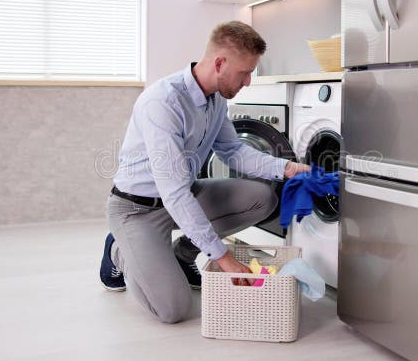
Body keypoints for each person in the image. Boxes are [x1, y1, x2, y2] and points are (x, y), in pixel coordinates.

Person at [99, 21, 310, 323]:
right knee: (173, 310)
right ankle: (119, 249)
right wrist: (222, 257)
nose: (248, 81)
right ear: (220, 63)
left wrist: (287, 168)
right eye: (245, 72)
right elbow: (172, 191)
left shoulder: (216, 100)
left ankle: (181, 254)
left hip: (183, 195)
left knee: (262, 197)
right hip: (136, 210)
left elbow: (234, 151)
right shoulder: (163, 102)